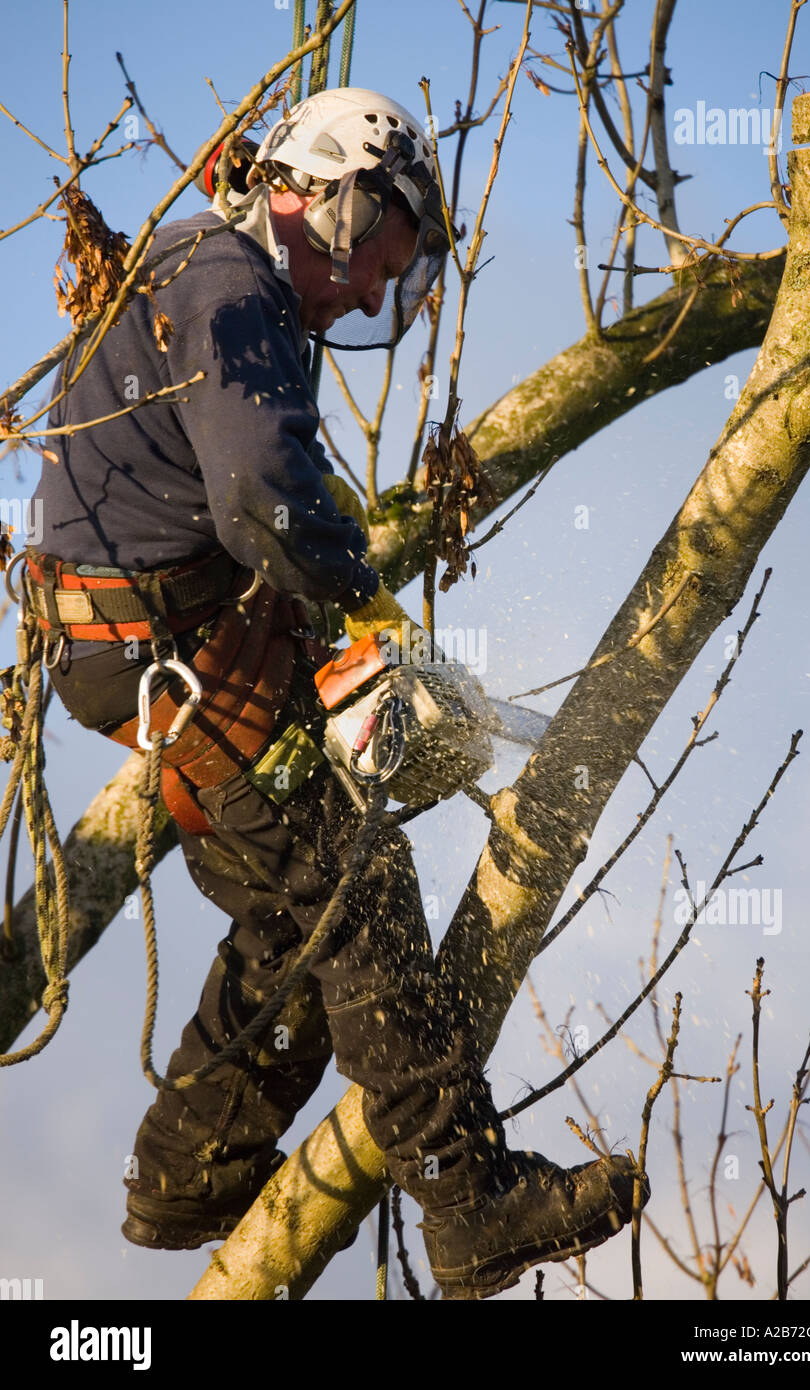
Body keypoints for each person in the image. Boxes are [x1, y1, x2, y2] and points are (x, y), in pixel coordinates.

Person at [25, 87, 648, 1299]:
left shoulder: (206, 269)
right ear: (327, 194)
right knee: (355, 885)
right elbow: (261, 494)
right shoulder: (228, 284)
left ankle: (188, 1175)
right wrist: (367, 609)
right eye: (376, 262)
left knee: (291, 907)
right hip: (165, 650)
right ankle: (472, 1202)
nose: (371, 295)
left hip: (154, 637)